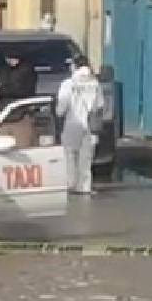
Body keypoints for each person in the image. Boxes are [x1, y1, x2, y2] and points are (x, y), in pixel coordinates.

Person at [56, 56, 105, 196]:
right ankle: (84, 186)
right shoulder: (95, 83)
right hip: (88, 125)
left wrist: (58, 113)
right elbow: (99, 106)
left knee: (70, 155)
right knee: (86, 158)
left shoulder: (68, 83)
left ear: (75, 66)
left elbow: (62, 107)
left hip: (72, 123)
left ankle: (70, 184)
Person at [0, 48, 37, 115]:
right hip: (3, 106)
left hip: (20, 105)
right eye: (7, 58)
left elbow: (21, 90)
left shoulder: (26, 70)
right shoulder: (4, 69)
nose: (9, 61)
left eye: (12, 58)